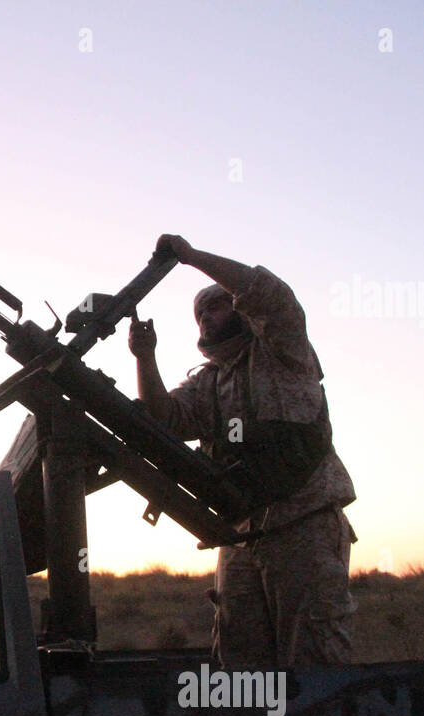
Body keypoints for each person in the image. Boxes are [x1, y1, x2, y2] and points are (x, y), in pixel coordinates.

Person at [129, 234, 357, 669]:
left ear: (240, 307)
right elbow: (165, 420)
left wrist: (191, 257)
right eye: (200, 314)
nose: (207, 318)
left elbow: (271, 296)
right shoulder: (208, 382)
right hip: (238, 536)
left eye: (217, 306)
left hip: (302, 524)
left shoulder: (283, 352)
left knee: (312, 659)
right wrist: (145, 357)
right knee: (239, 660)